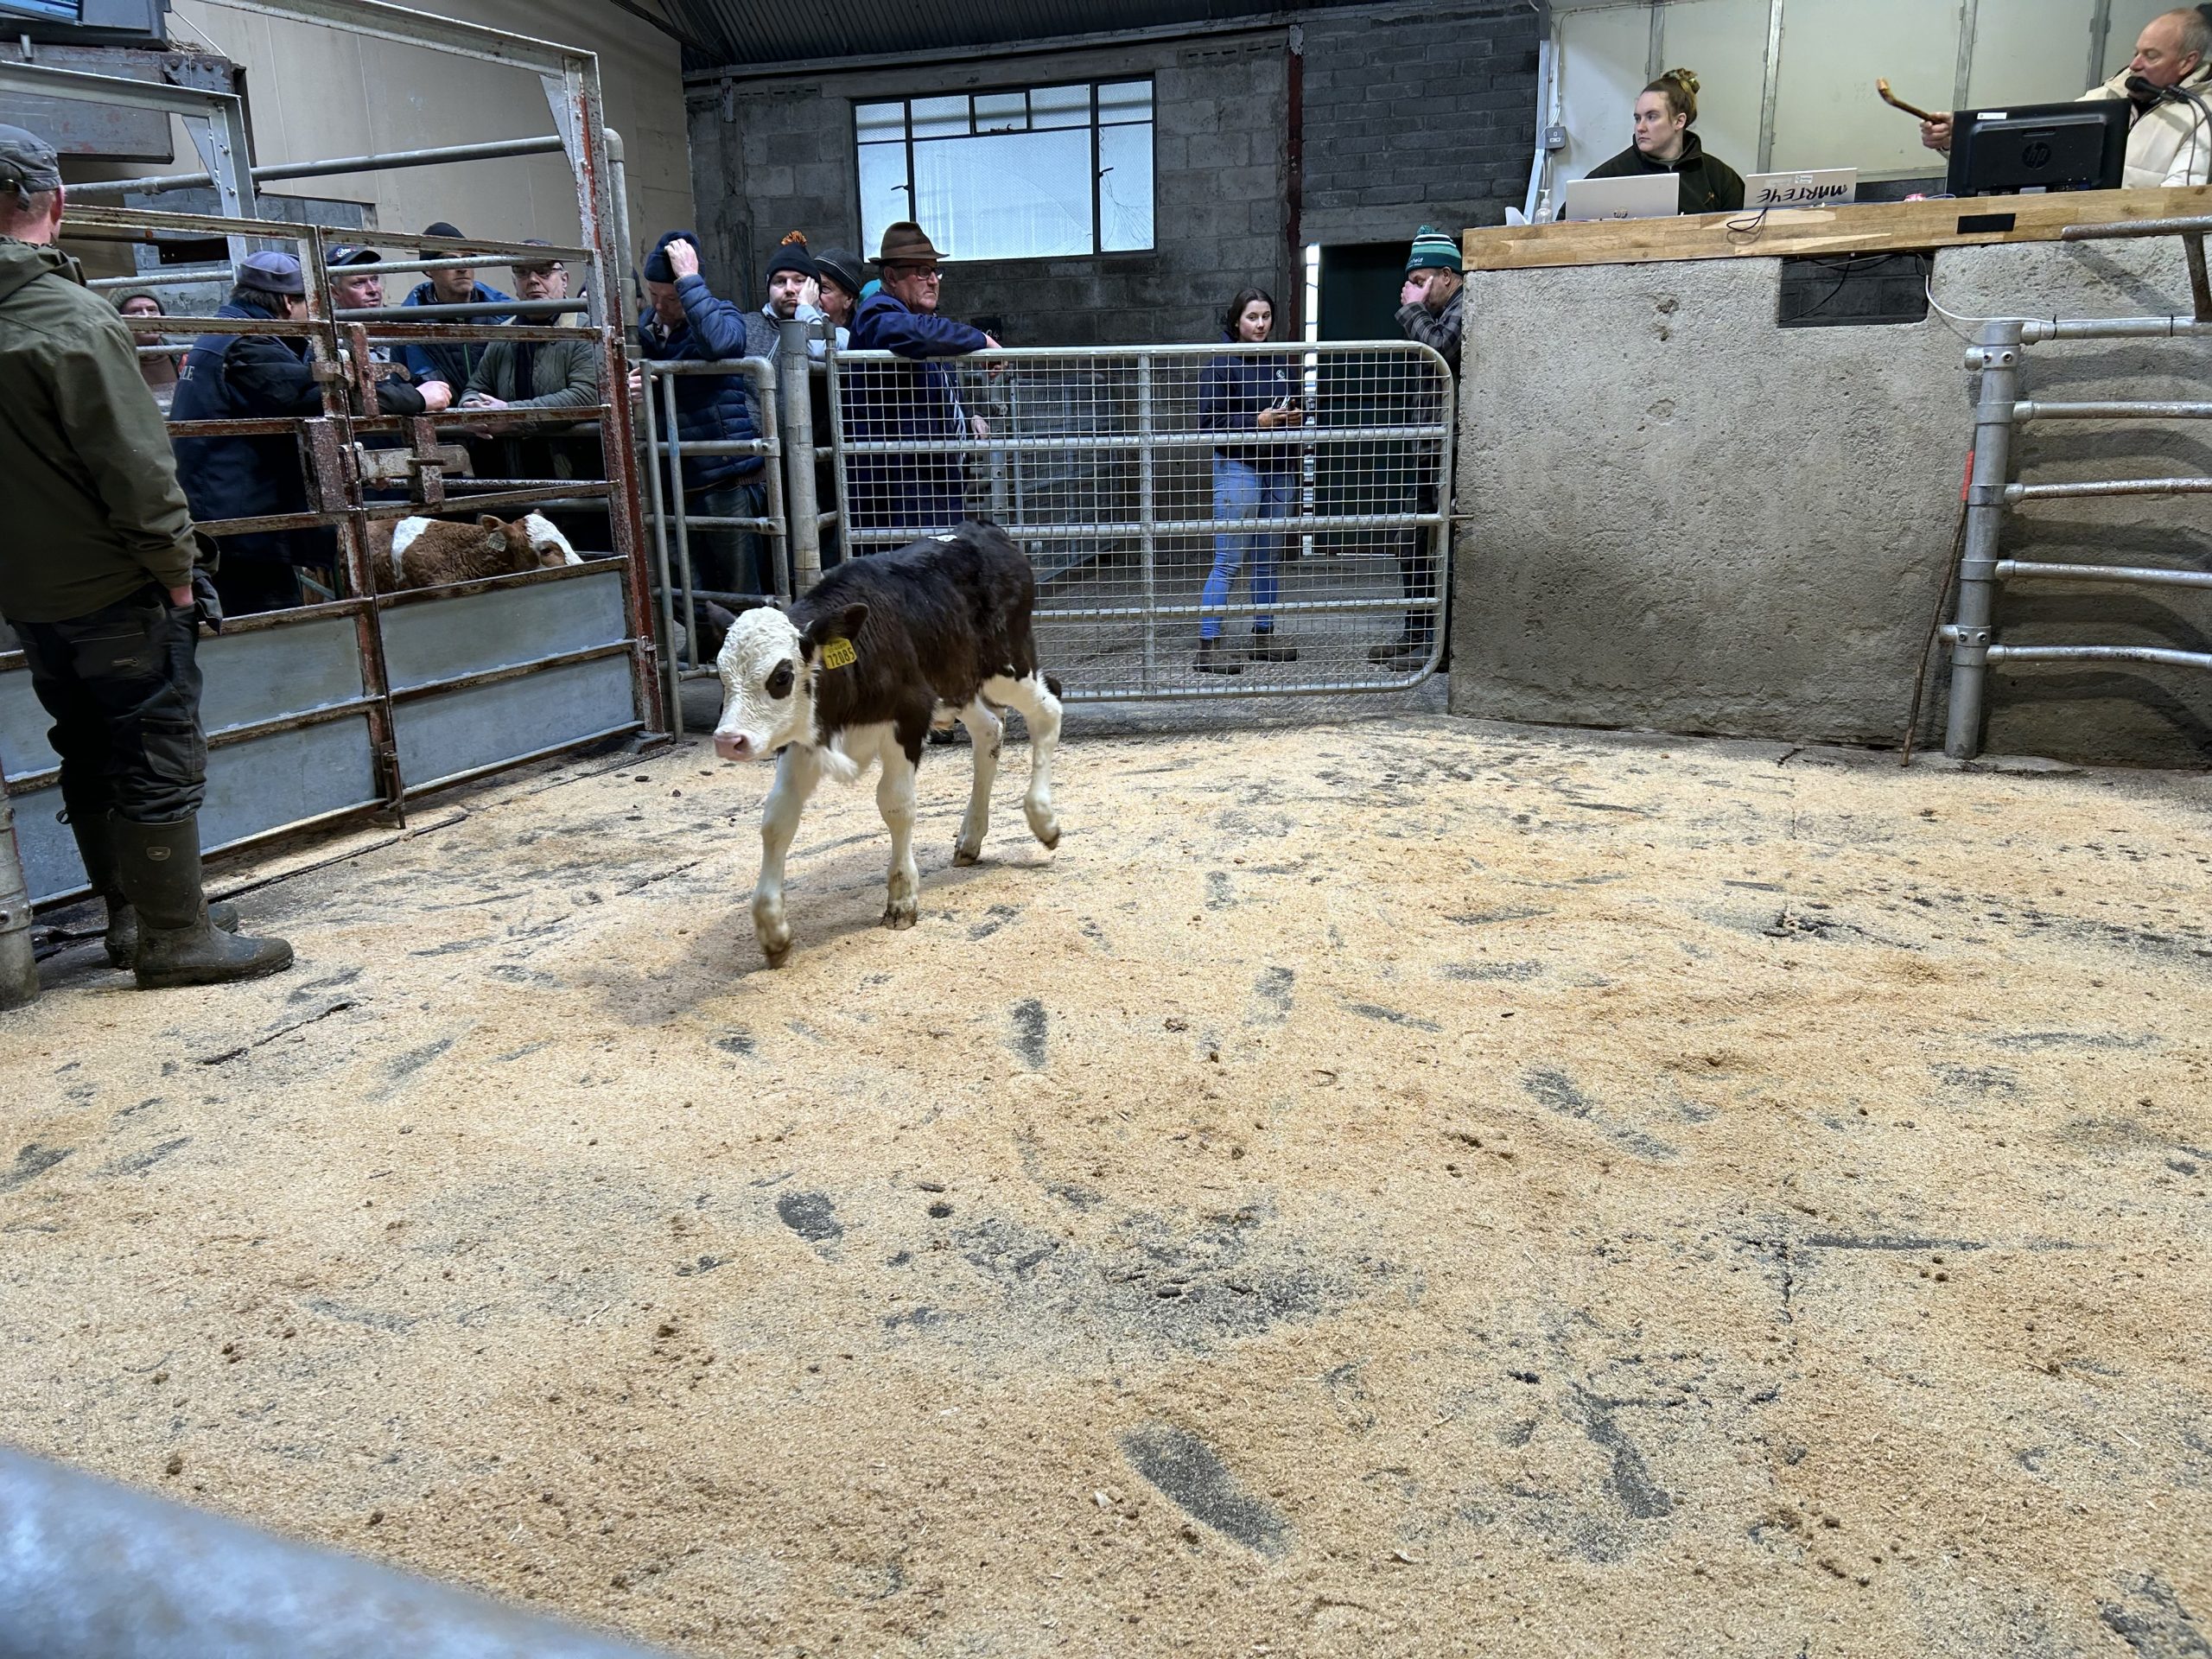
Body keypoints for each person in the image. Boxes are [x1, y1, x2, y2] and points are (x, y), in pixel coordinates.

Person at [0, 122, 291, 987]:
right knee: (156, 743)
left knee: (83, 743)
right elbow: (135, 468)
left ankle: (140, 912)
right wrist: (174, 569)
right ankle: (174, 938)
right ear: (56, 203)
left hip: (30, 590)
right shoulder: (73, 321)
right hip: (114, 582)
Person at [169, 250, 435, 614]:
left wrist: (358, 463)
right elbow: (315, 397)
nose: (318, 314)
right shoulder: (249, 343)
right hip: (244, 528)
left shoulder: (232, 336)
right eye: (312, 302)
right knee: (273, 627)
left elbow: (286, 415)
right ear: (286, 301)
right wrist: (416, 399)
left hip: (232, 513)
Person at [1918, 10, 2212, 189]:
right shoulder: (2108, 95)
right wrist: (1958, 138)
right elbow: (2036, 150)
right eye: (2137, 52)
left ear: (2187, 63)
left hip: (2142, 248)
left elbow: (2180, 197)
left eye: (2151, 56)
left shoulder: (2203, 112)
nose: (2135, 64)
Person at [844, 220, 999, 543]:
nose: (933, 280)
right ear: (890, 277)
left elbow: (936, 385)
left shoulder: (925, 326)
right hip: (901, 487)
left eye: (935, 271)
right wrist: (979, 339)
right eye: (921, 271)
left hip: (932, 477)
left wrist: (966, 416)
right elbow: (906, 333)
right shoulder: (877, 312)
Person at [635, 229, 770, 596]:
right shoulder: (645, 331)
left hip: (724, 480)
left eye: (673, 296)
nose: (661, 305)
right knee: (684, 590)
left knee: (741, 589)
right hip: (673, 482)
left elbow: (720, 344)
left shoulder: (722, 313)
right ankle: (702, 654)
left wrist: (690, 281)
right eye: (654, 295)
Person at [1370, 226, 1464, 670]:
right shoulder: (1436, 310)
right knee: (1412, 541)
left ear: (1448, 275)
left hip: (1454, 453)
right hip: (1427, 447)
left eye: (1422, 280)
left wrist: (1411, 311)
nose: (1414, 291)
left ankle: (1440, 648)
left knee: (1441, 545)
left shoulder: (1466, 306)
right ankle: (1416, 634)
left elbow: (1444, 349)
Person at [1194, 286, 1300, 676]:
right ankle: (1208, 645)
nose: (1260, 324)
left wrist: (1295, 420)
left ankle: (1263, 636)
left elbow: (1294, 407)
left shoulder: (1278, 364)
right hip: (1239, 468)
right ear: (1236, 320)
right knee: (1228, 560)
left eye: (1266, 317)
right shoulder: (1223, 364)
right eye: (1252, 317)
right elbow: (1209, 426)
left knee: (1268, 559)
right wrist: (1257, 422)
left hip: (1278, 469)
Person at [461, 243, 600, 414]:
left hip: (569, 441)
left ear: (564, 280)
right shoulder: (503, 333)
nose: (533, 280)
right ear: (514, 283)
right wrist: (472, 406)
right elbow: (476, 388)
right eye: (523, 273)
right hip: (514, 440)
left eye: (543, 271)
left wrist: (510, 412)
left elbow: (586, 395)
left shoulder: (585, 329)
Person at [1585, 68, 1745, 214]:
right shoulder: (1609, 177)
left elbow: (1745, 231)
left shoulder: (1719, 177)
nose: (1640, 127)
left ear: (1679, 121)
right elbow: (1565, 226)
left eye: (1651, 117)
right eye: (1637, 118)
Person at [327, 245, 451, 410]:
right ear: (335, 292)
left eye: (374, 279)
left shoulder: (403, 326)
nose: (372, 290)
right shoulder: (326, 342)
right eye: (359, 283)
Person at [398, 220, 512, 391]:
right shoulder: (407, 325)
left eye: (468, 258)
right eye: (449, 260)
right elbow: (401, 386)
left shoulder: (505, 315)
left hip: (500, 414)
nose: (462, 267)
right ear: (428, 269)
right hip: (441, 415)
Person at [741, 231, 842, 361]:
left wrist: (805, 306)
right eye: (780, 281)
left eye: (799, 281)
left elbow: (818, 352)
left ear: (815, 288)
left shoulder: (836, 333)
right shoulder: (745, 327)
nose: (789, 289)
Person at [117, 292, 177, 409]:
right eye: (135, 311)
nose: (146, 317)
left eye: (152, 310)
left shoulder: (181, 356)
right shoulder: (112, 360)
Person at [814, 245, 864, 336]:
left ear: (848, 299)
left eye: (824, 288)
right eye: (811, 285)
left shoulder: (862, 337)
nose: (812, 295)